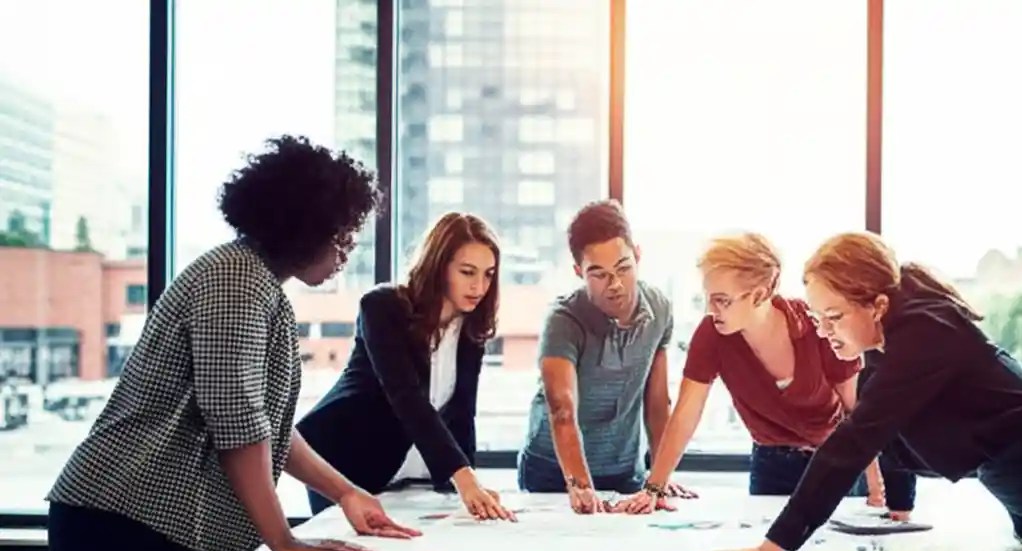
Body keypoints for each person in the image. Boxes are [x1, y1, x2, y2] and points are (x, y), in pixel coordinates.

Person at [46, 136, 418, 551]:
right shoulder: (235, 280)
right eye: (342, 234)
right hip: (127, 522)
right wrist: (284, 541)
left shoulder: (257, 282)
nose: (348, 249)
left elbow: (266, 426)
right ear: (304, 227)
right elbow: (238, 424)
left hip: (145, 524)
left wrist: (346, 492)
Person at [682, 231, 1022, 551]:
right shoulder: (888, 340)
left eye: (834, 316)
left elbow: (853, 442)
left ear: (877, 306)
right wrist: (896, 510)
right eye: (818, 318)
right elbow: (887, 431)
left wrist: (770, 549)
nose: (824, 331)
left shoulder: (924, 332)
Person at [614, 232, 897, 514]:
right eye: (707, 298)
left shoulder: (818, 327)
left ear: (760, 295)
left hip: (835, 461)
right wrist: (655, 487)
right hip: (771, 465)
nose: (711, 309)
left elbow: (856, 413)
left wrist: (876, 485)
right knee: (766, 539)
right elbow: (686, 413)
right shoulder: (712, 334)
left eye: (722, 300)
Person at [297, 212, 513, 521]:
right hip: (344, 459)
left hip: (405, 474)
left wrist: (470, 489)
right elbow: (406, 397)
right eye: (467, 272)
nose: (479, 287)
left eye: (489, 275)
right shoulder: (383, 307)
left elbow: (463, 413)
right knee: (352, 547)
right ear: (438, 266)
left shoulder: (470, 329)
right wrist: (464, 479)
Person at [517, 199, 693, 512]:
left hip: (625, 472)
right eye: (599, 274)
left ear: (638, 255)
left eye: (624, 268)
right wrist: (581, 486)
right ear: (578, 271)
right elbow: (562, 410)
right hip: (553, 474)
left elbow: (656, 404)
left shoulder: (660, 309)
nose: (615, 285)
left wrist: (660, 478)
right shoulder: (563, 320)